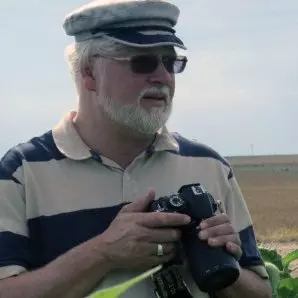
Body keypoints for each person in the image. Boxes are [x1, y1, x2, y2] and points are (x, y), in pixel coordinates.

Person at [0, 1, 271, 297]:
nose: (163, 77)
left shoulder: (210, 166)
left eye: (171, 62)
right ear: (89, 72)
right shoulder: (21, 173)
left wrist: (221, 264)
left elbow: (262, 292)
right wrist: (103, 254)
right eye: (142, 62)